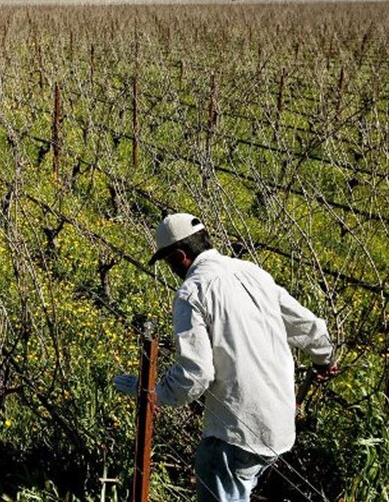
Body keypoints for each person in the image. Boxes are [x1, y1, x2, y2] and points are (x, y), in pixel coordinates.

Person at [113, 213, 337, 502]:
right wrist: (324, 358)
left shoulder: (192, 292)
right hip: (280, 428)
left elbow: (196, 374)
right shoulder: (253, 273)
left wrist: (152, 392)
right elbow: (309, 326)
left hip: (236, 435)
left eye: (168, 261)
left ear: (180, 256)